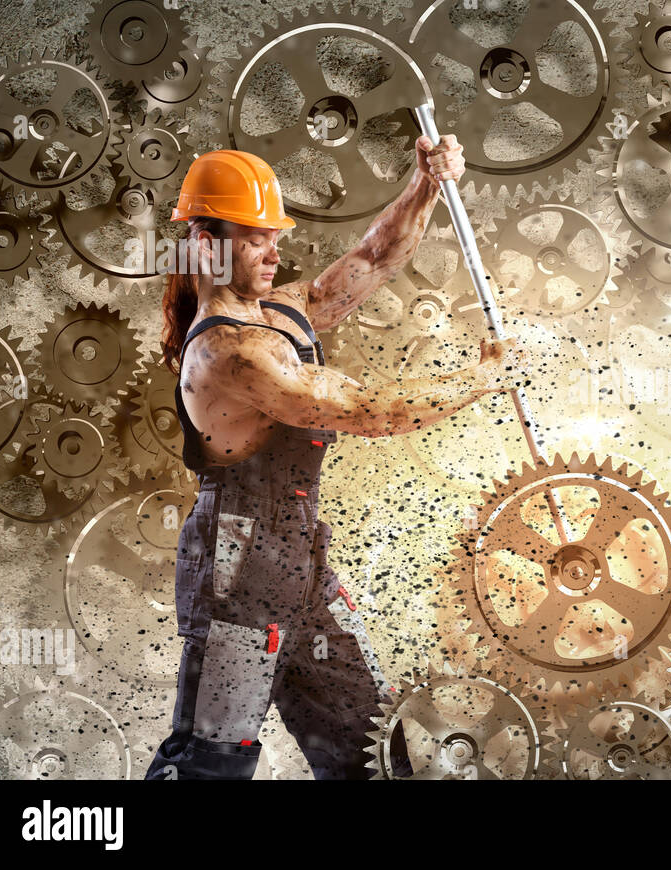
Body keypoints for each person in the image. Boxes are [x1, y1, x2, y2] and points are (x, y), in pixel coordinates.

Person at [146, 135, 527, 779]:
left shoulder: (279, 311)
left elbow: (375, 256)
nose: (275, 250)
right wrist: (480, 380)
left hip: (301, 567)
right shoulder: (228, 352)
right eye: (256, 238)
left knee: (373, 751)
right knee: (211, 765)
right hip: (236, 581)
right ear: (207, 244)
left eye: (275, 234)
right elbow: (367, 409)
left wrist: (426, 182)